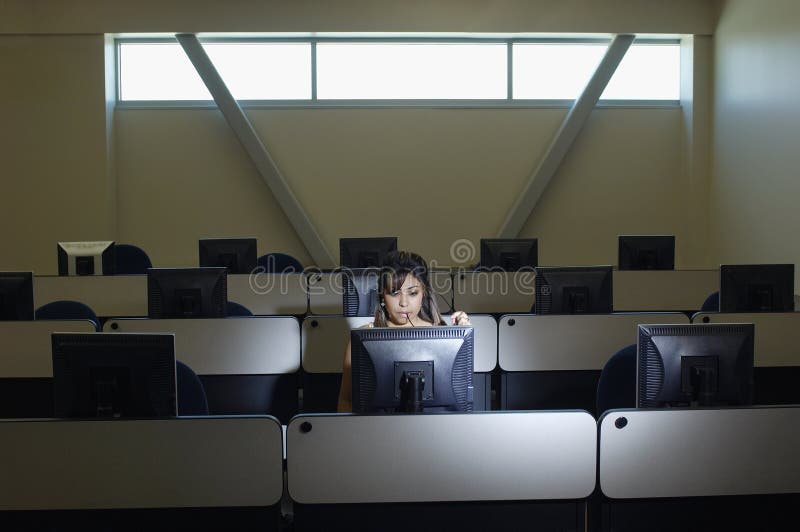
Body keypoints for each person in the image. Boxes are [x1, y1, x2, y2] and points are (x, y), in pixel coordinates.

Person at [337, 250, 471, 412]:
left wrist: (463, 336)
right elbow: (345, 401)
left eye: (413, 293)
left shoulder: (446, 337)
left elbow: (460, 402)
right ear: (382, 296)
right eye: (394, 293)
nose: (403, 303)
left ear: (424, 294)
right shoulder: (361, 339)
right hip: (376, 432)